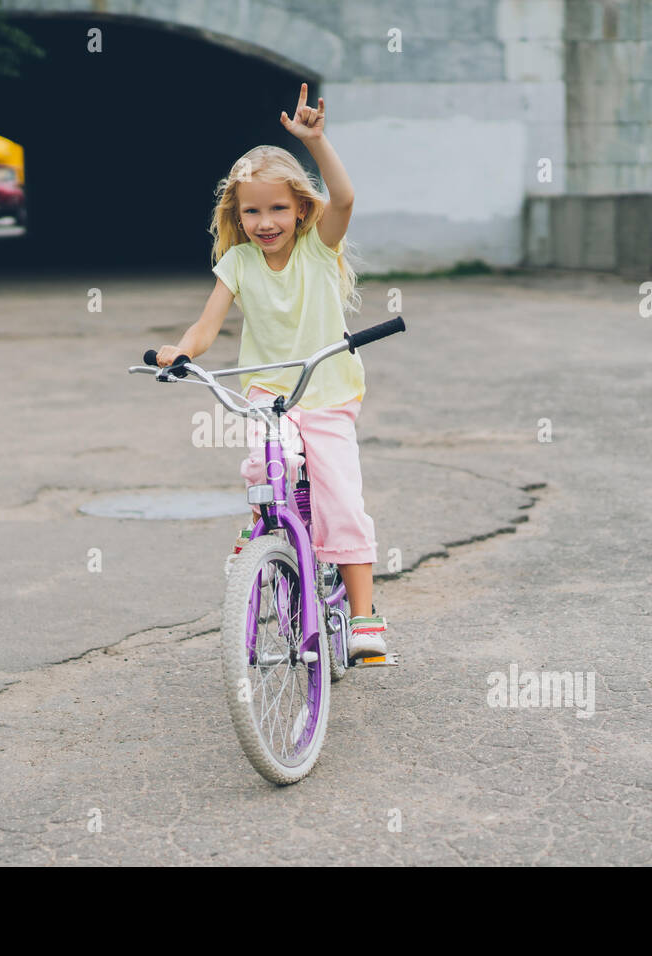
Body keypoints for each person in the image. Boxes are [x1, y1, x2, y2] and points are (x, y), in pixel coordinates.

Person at [156, 84, 387, 658]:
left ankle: (363, 619)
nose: (265, 221)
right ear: (237, 215)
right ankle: (269, 537)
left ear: (301, 209)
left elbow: (348, 198)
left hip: (326, 389)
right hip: (268, 392)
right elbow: (207, 327)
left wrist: (316, 140)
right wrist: (181, 351)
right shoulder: (237, 261)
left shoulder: (316, 247)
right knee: (265, 463)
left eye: (278, 208)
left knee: (340, 498)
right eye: (252, 210)